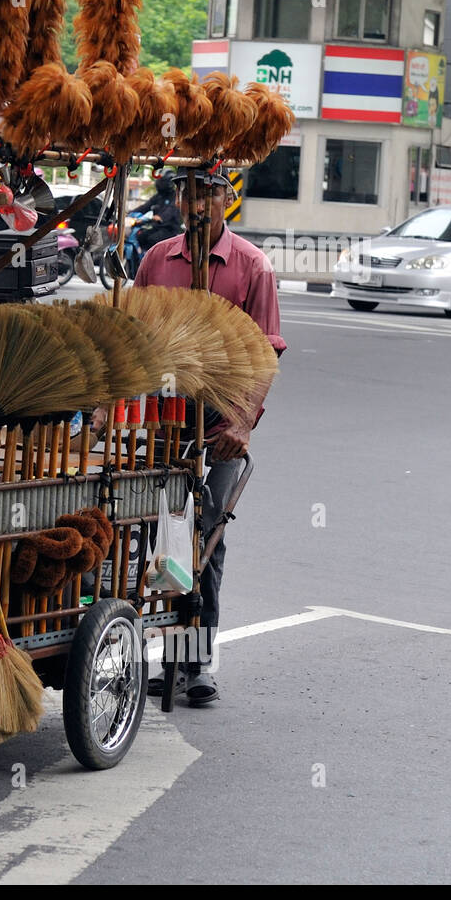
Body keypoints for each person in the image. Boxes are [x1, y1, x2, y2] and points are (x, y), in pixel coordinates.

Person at [133, 165, 287, 706]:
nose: (195, 205)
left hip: (221, 425)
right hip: (165, 420)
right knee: (161, 534)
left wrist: (242, 425)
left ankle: (197, 663)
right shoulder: (157, 259)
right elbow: (133, 337)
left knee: (205, 538)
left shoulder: (252, 266)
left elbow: (266, 353)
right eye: (186, 194)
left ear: (225, 198)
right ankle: (168, 656)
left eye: (206, 194)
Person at [126, 170, 183, 275]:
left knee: (153, 239)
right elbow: (145, 206)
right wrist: (129, 212)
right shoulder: (159, 196)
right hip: (156, 227)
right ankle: (140, 264)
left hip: (169, 229)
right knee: (140, 236)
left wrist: (160, 217)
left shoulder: (174, 197)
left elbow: (170, 211)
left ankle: (156, 265)